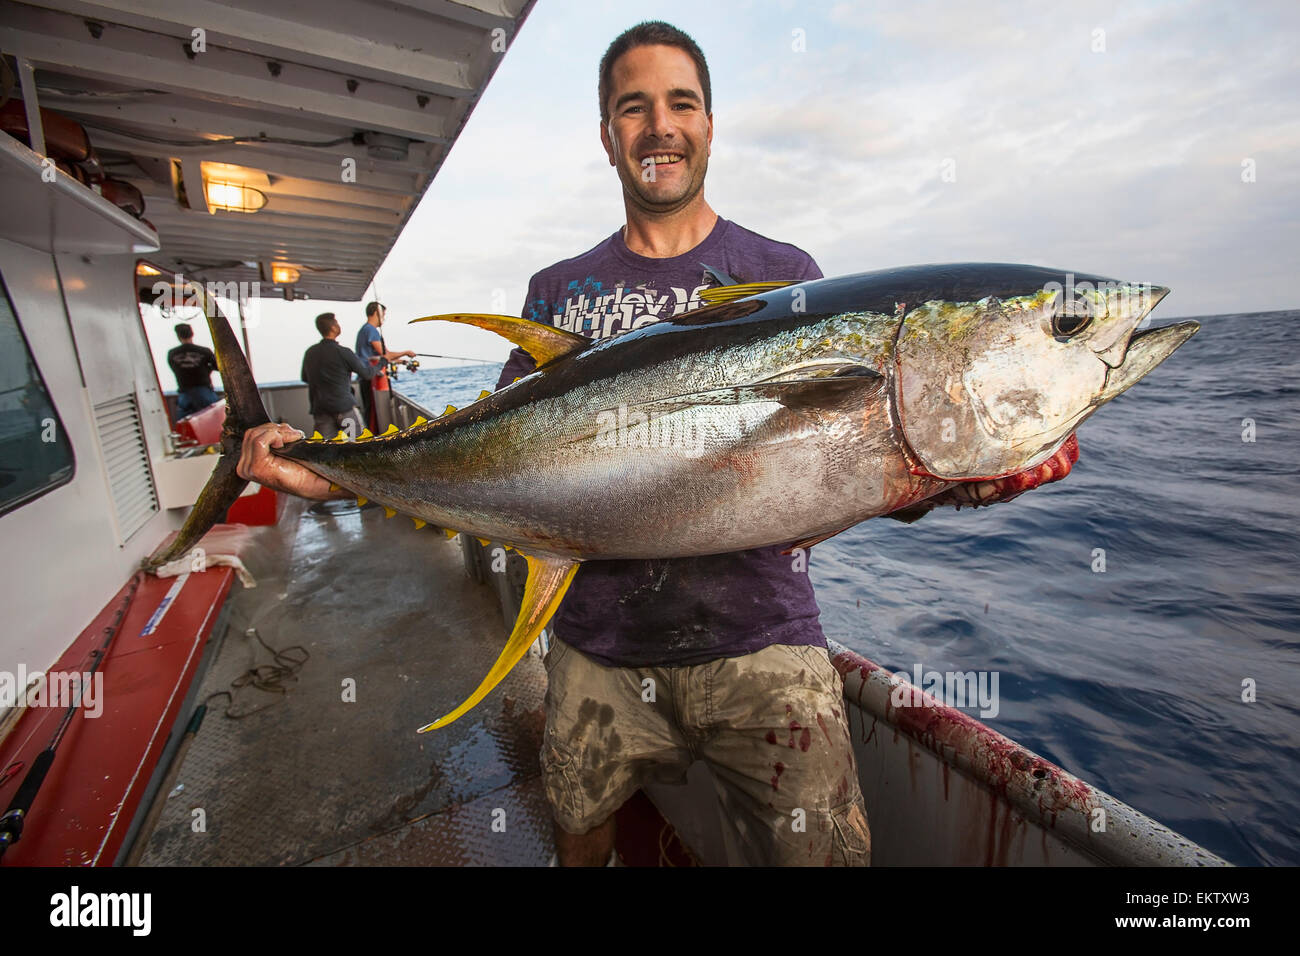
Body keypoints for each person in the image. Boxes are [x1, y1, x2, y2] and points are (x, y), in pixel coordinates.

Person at [234, 21, 1079, 867]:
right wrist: (332, 480)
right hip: (598, 650)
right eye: (633, 108)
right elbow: (485, 463)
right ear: (607, 137)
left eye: (682, 103)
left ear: (710, 124)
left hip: (767, 643)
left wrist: (951, 482)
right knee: (581, 833)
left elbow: (842, 470)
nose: (659, 125)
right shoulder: (560, 289)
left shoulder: (789, 274)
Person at [302, 312, 376, 440]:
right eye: (337, 323)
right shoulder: (343, 352)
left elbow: (305, 378)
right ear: (333, 328)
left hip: (321, 410)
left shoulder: (310, 352)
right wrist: (383, 362)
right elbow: (367, 374)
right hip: (344, 409)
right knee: (359, 444)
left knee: (327, 449)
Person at [355, 301, 416, 431]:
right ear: (376, 313)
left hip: (367, 377)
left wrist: (403, 361)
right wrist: (406, 352)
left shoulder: (365, 330)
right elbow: (385, 354)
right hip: (370, 379)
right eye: (383, 314)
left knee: (370, 412)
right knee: (371, 415)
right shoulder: (371, 330)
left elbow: (381, 358)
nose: (384, 318)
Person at [167, 323, 220, 417]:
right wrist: (207, 368)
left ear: (178, 336)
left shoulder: (172, 353)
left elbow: (174, 369)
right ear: (192, 334)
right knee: (217, 421)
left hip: (185, 396)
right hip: (205, 394)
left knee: (186, 427)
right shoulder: (204, 351)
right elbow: (218, 367)